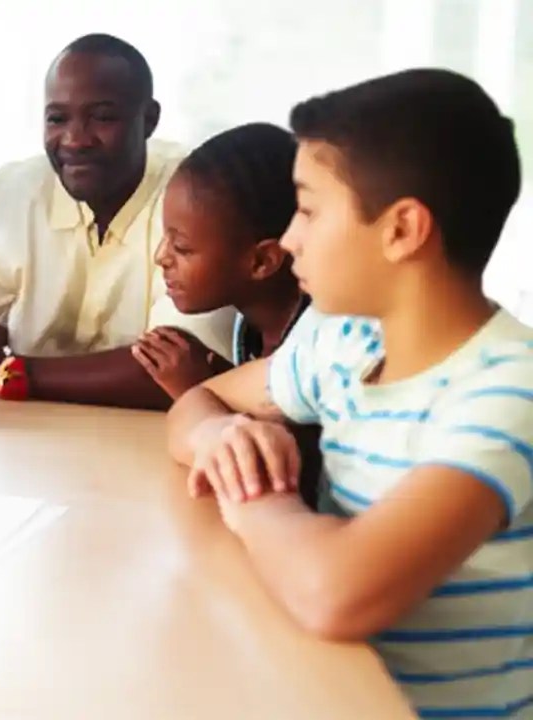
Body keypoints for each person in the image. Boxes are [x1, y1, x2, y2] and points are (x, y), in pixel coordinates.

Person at [166, 69, 530, 715]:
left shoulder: (508, 391)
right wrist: (220, 437)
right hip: (322, 688)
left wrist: (251, 496)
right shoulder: (345, 343)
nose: (291, 237)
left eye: (307, 209)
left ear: (401, 230)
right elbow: (197, 403)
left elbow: (337, 594)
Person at [0, 33, 235, 410]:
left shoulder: (194, 194)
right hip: (27, 438)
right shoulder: (21, 188)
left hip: (149, 444)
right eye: (57, 118)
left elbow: (176, 369)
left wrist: (9, 372)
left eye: (103, 117)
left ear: (149, 120)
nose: (74, 140)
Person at [135, 122, 307, 400]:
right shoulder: (251, 328)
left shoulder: (319, 346)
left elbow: (297, 439)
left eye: (181, 247)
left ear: (262, 261)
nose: (161, 257)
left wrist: (201, 391)